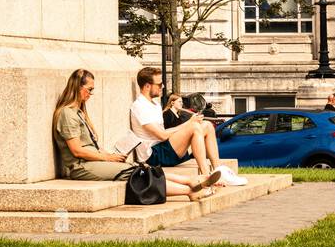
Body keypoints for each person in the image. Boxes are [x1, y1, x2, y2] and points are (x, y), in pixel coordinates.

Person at [53, 70, 214, 200]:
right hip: (82, 166)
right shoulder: (67, 114)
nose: (90, 94)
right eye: (89, 89)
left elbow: (90, 146)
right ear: (77, 87)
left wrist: (109, 154)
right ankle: (188, 191)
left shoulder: (78, 112)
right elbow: (77, 151)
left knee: (140, 168)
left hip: (93, 160)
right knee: (136, 174)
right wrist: (108, 158)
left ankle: (192, 181)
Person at [131, 67, 248, 187]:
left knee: (207, 125)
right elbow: (161, 135)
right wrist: (188, 124)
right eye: (159, 84)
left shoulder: (154, 104)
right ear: (147, 86)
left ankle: (218, 170)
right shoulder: (139, 106)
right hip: (152, 156)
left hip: (163, 148)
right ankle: (206, 176)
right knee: (194, 127)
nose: (163, 87)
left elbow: (163, 133)